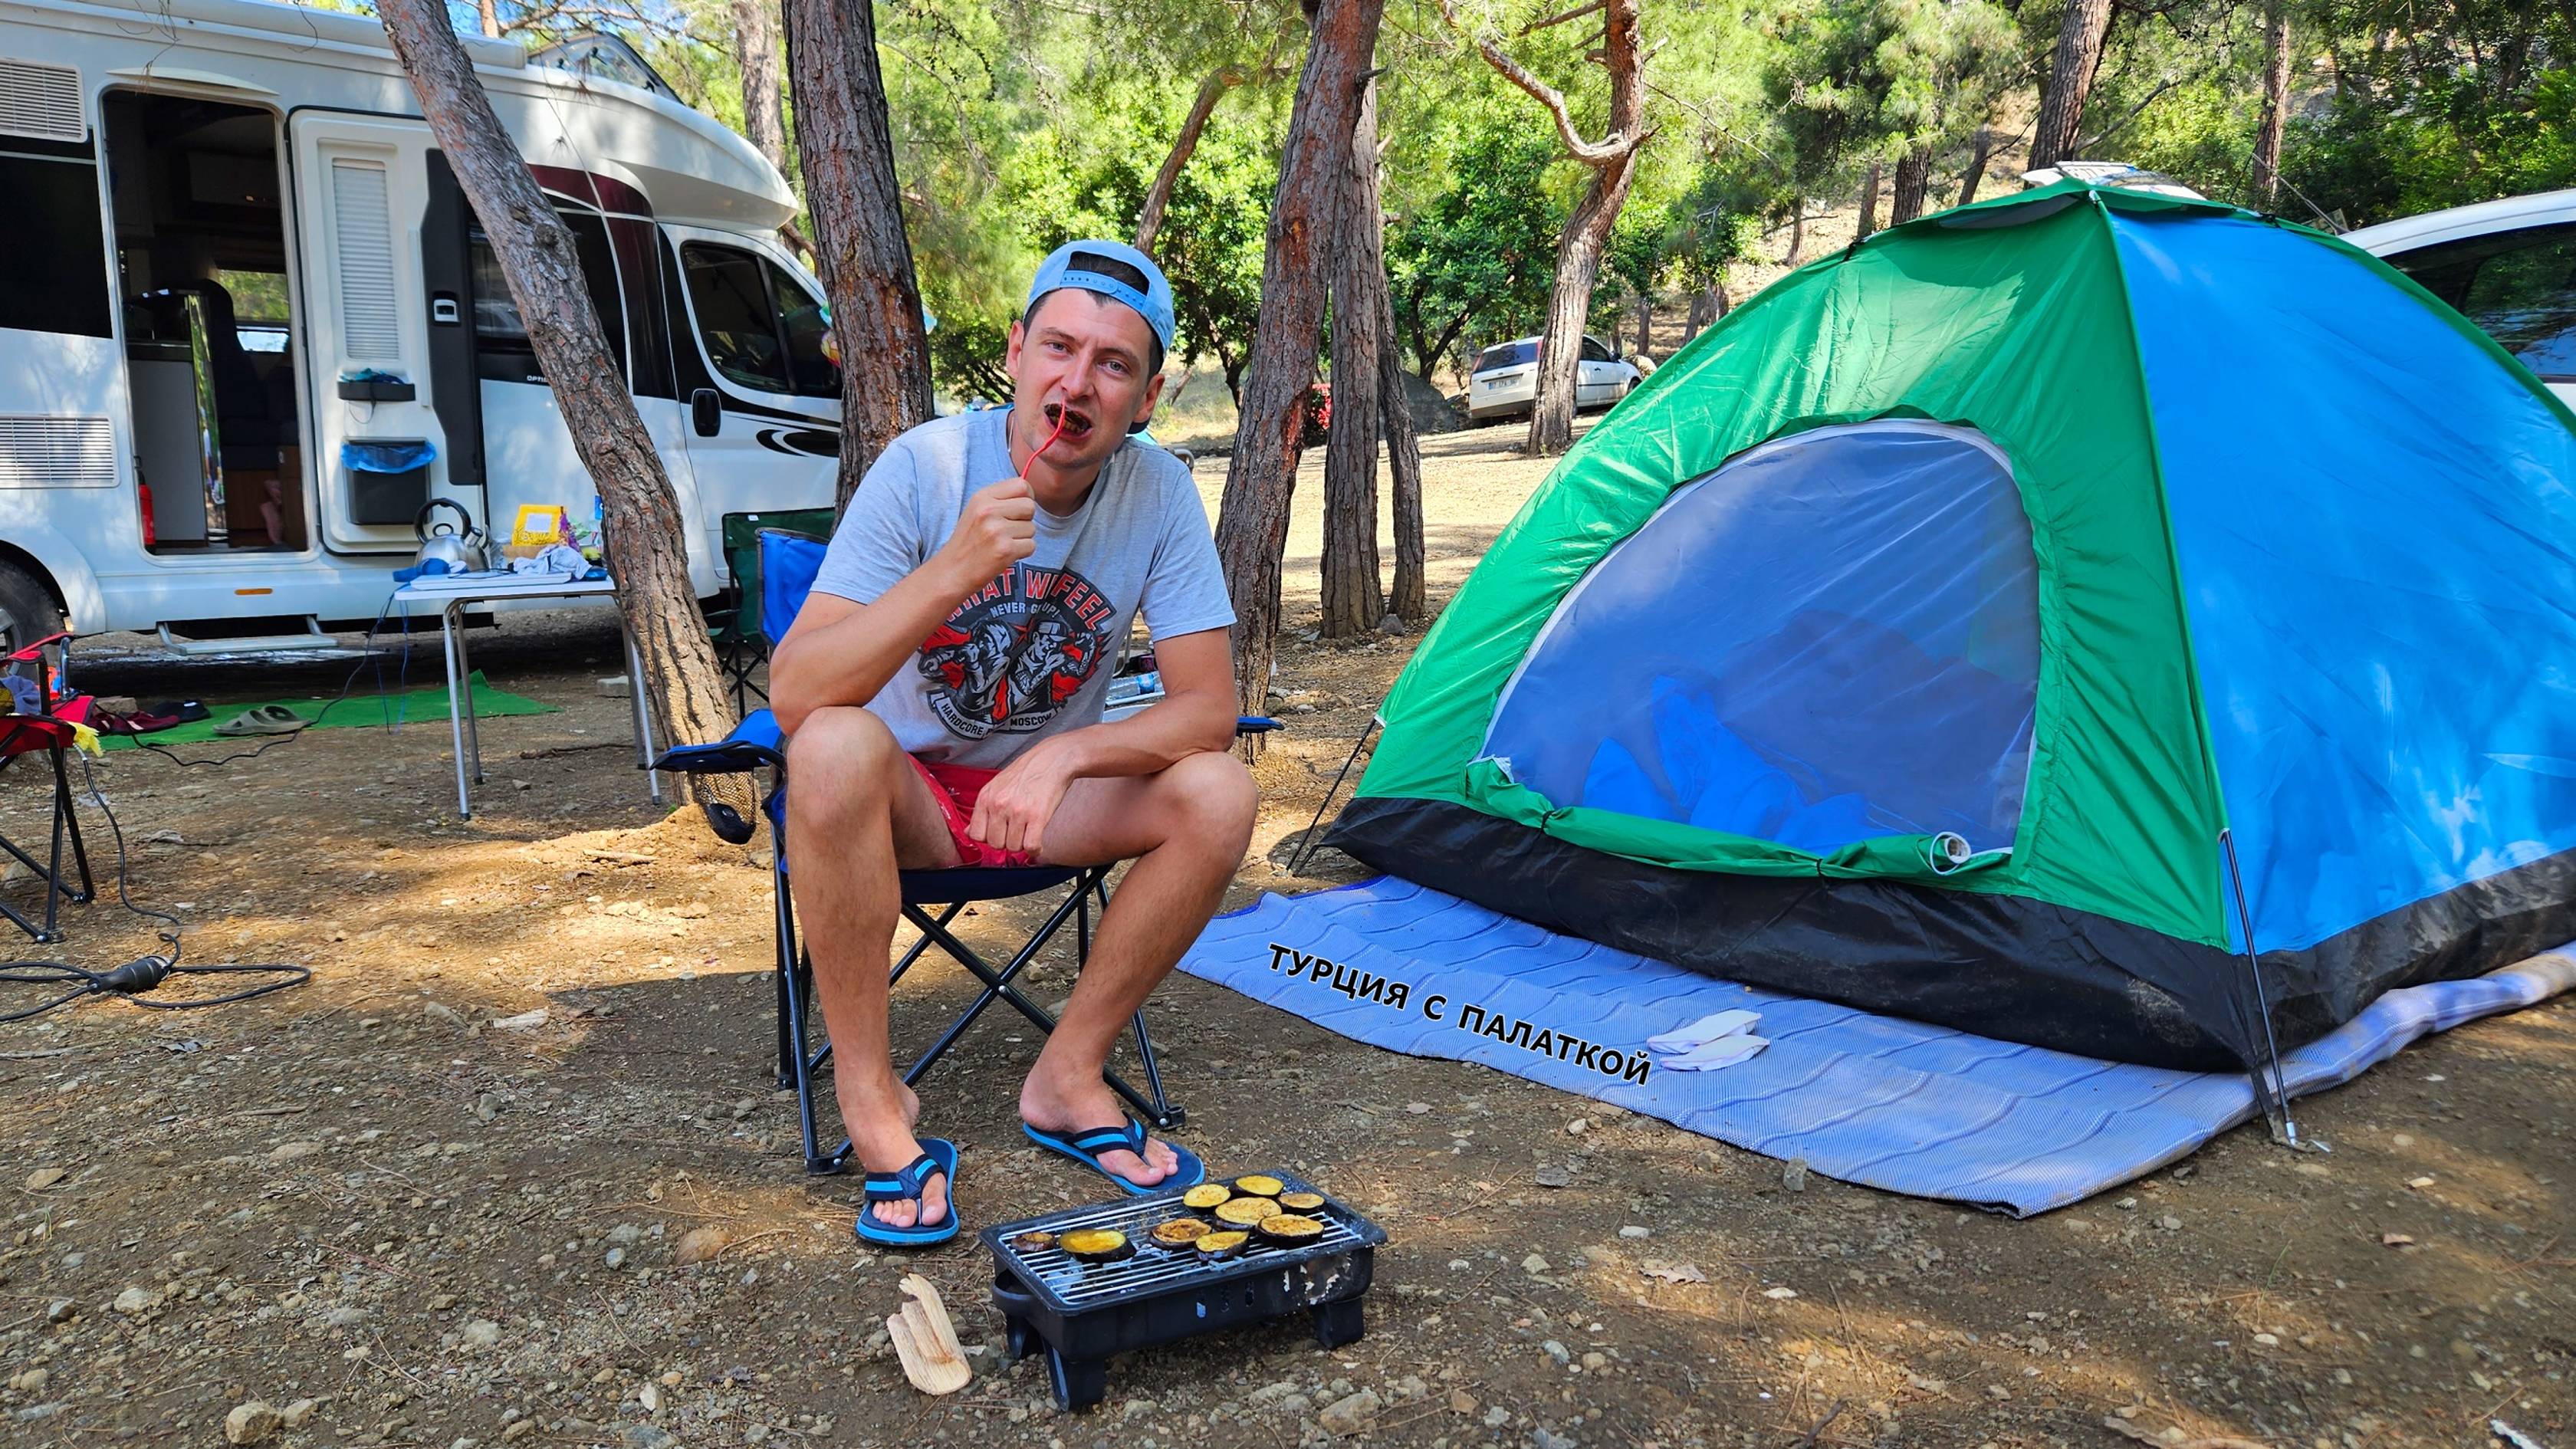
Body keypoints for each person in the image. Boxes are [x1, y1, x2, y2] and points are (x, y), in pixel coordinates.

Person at [767, 241, 1254, 1247]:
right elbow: (797, 692)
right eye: (1059, 349)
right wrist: (952, 570)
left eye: (1113, 365)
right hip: (902, 803)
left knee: (1220, 791)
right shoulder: (925, 466)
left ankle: (1068, 1075)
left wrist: (1065, 754)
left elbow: (1209, 709)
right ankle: (873, 1102)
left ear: (1147, 399)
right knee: (830, 746)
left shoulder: (1159, 492)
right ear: (1015, 353)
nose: (1077, 385)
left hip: (1043, 807)